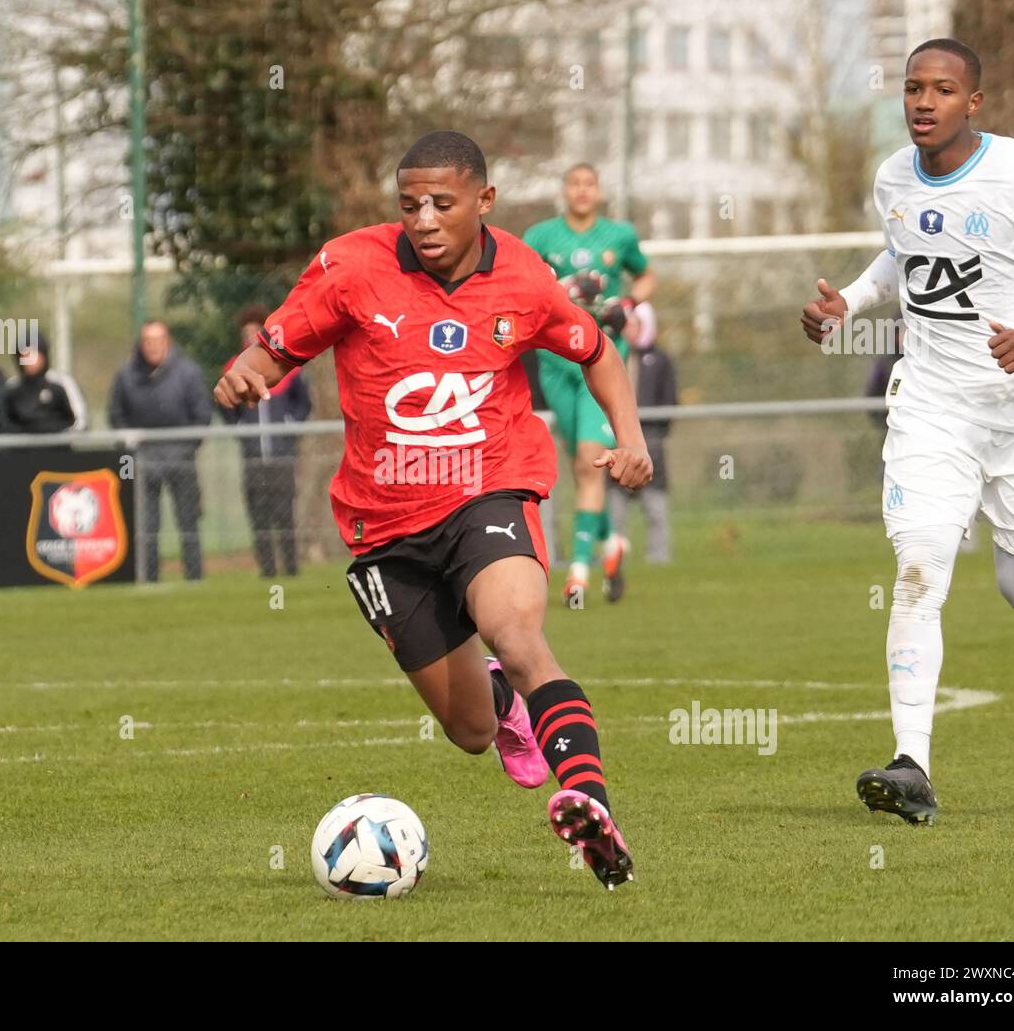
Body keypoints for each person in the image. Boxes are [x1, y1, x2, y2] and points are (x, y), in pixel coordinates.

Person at [215, 131, 652, 889]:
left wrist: (631, 435)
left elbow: (596, 351)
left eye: (442, 203)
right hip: (382, 525)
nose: (423, 217)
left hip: (489, 489)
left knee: (517, 631)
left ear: (484, 202)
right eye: (409, 202)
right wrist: (246, 372)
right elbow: (277, 347)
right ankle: (507, 705)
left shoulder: (522, 274)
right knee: (472, 730)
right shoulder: (350, 265)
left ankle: (590, 806)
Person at [801, 39, 1014, 825]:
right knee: (920, 568)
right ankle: (912, 762)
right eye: (914, 88)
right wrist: (848, 304)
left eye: (943, 90)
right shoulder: (893, 176)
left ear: (974, 104)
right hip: (932, 408)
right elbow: (902, 255)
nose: (924, 102)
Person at [523, 163, 656, 605]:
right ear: (565, 191)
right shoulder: (541, 237)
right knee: (581, 466)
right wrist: (561, 289)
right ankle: (611, 543)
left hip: (600, 359)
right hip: (553, 360)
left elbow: (646, 275)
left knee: (587, 460)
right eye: (574, 184)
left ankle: (578, 572)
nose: (582, 191)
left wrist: (630, 303)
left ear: (599, 192)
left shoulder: (618, 235)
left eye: (589, 184)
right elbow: (521, 285)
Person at [108, 319, 213, 581]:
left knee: (188, 522)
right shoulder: (126, 375)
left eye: (158, 340)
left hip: (182, 458)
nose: (153, 346)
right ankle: (148, 578)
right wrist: (131, 448)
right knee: (146, 525)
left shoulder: (188, 373)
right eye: (147, 341)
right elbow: (116, 415)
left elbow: (202, 415)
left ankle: (194, 578)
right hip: (143, 462)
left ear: (168, 342)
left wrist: (187, 448)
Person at [222, 305, 312, 577]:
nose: (250, 337)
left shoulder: (285, 368)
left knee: (284, 512)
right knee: (259, 515)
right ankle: (268, 569)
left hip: (282, 454)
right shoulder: (233, 368)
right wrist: (238, 426)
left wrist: (289, 425)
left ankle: (291, 567)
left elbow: (303, 403)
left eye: (254, 332)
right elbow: (225, 406)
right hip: (253, 456)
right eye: (245, 333)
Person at [608, 299, 676, 564]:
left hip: (651, 440)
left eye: (636, 324)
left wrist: (655, 434)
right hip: (615, 441)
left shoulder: (658, 359)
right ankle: (615, 557)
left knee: (654, 503)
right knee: (615, 506)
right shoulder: (613, 355)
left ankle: (659, 558)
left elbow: (669, 399)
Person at [2, 334, 88, 433]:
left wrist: (60, 438)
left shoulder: (61, 382)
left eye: (33, 354)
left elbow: (80, 421)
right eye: (24, 356)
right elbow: (4, 420)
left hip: (57, 446)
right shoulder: (12, 387)